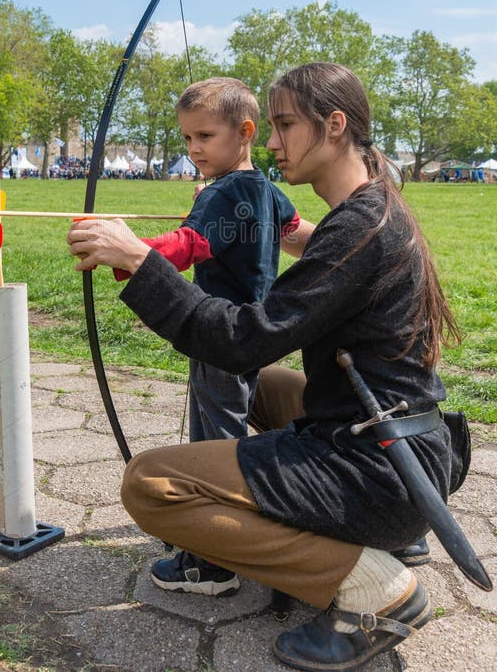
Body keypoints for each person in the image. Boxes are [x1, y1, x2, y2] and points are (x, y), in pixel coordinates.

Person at [67, 63, 464, 670]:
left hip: (379, 467)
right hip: (396, 446)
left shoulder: (361, 228)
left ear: (334, 126)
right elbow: (309, 246)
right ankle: (381, 535)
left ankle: (375, 588)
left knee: (151, 484)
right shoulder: (372, 209)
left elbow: (242, 342)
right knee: (263, 393)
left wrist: (140, 261)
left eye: (283, 125)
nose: (272, 142)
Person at [112, 77, 313, 592]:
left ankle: (215, 557)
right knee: (221, 429)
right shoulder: (265, 189)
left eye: (204, 136)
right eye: (186, 139)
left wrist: (127, 251)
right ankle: (225, 532)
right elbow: (294, 234)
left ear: (245, 131)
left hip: (219, 334)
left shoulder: (225, 192)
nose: (193, 149)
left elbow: (189, 246)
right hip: (250, 334)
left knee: (215, 445)